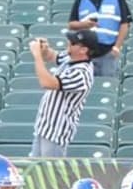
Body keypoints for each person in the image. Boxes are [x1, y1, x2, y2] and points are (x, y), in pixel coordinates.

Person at [29, 29, 97, 157]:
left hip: (56, 133)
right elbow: (53, 56)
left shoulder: (82, 73)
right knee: (36, 173)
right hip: (43, 128)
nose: (69, 43)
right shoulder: (71, 57)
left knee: (51, 175)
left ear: (83, 50)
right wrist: (44, 49)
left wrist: (37, 56)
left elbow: (47, 83)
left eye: (73, 43)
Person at [67, 0, 132, 77]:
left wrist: (117, 47)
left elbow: (125, 24)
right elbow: (71, 24)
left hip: (108, 53)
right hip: (85, 54)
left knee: (106, 88)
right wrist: (84, 24)